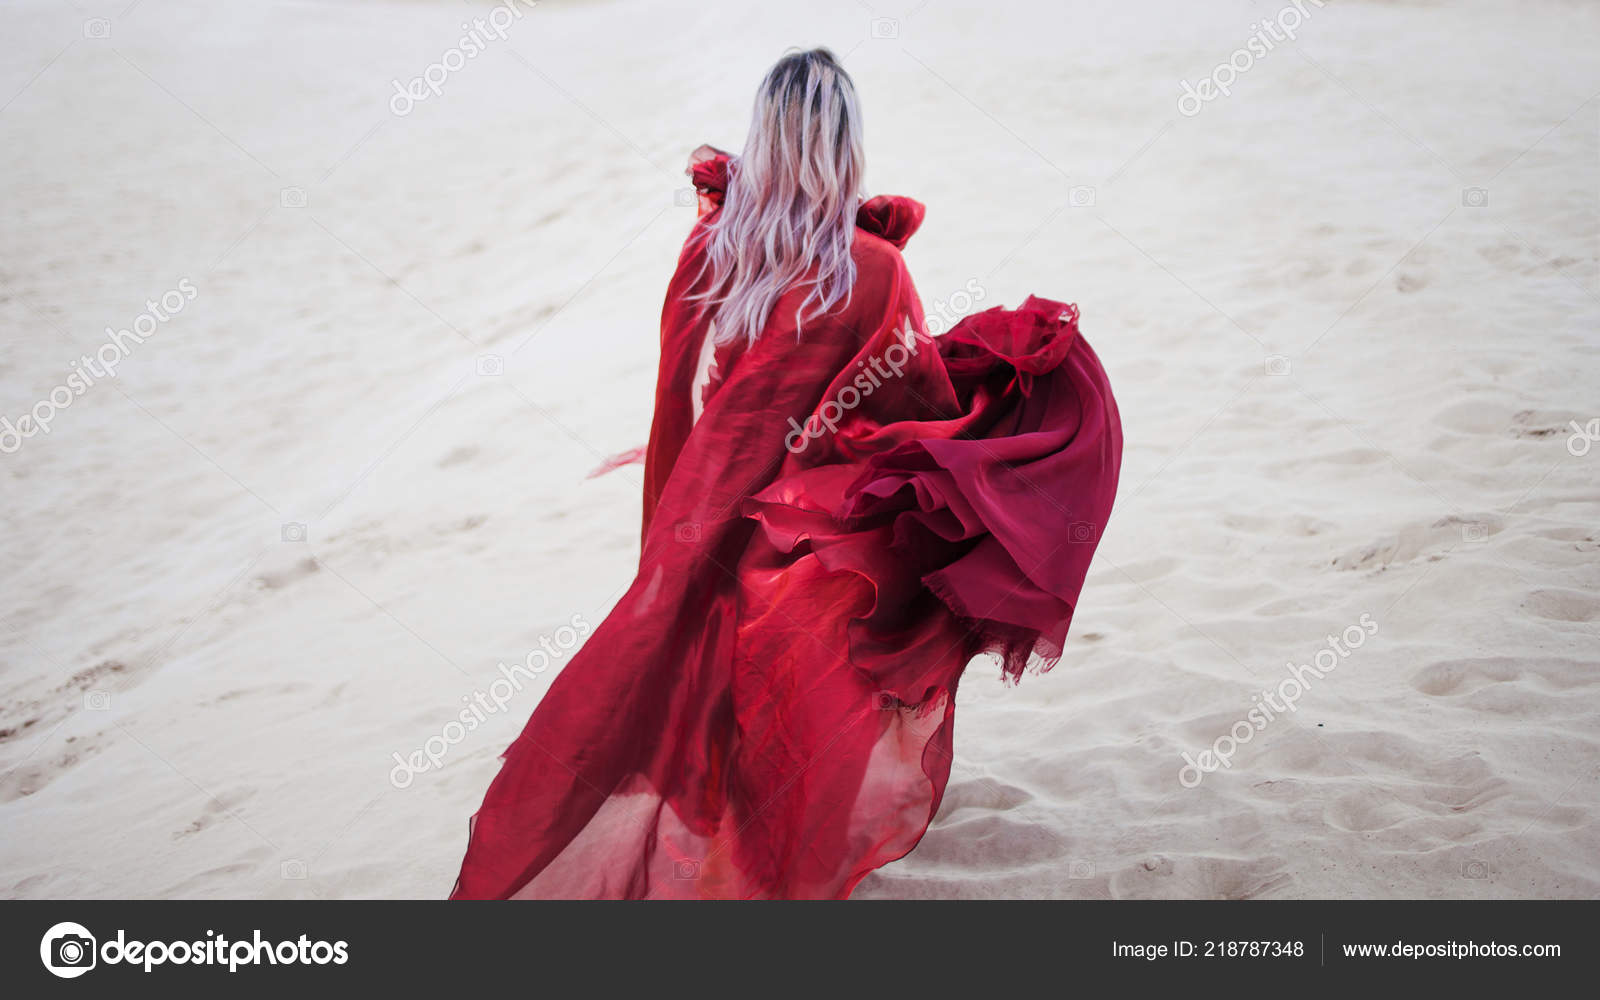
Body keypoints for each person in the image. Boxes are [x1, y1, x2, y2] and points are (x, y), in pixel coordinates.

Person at [451, 47, 1122, 899]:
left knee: (714, 673)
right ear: (846, 147)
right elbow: (916, 397)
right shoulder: (871, 267)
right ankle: (774, 863)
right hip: (805, 532)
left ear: (763, 137)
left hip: (710, 514)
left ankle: (730, 857)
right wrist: (1006, 386)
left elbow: (681, 399)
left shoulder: (710, 249)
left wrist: (668, 547)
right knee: (815, 669)